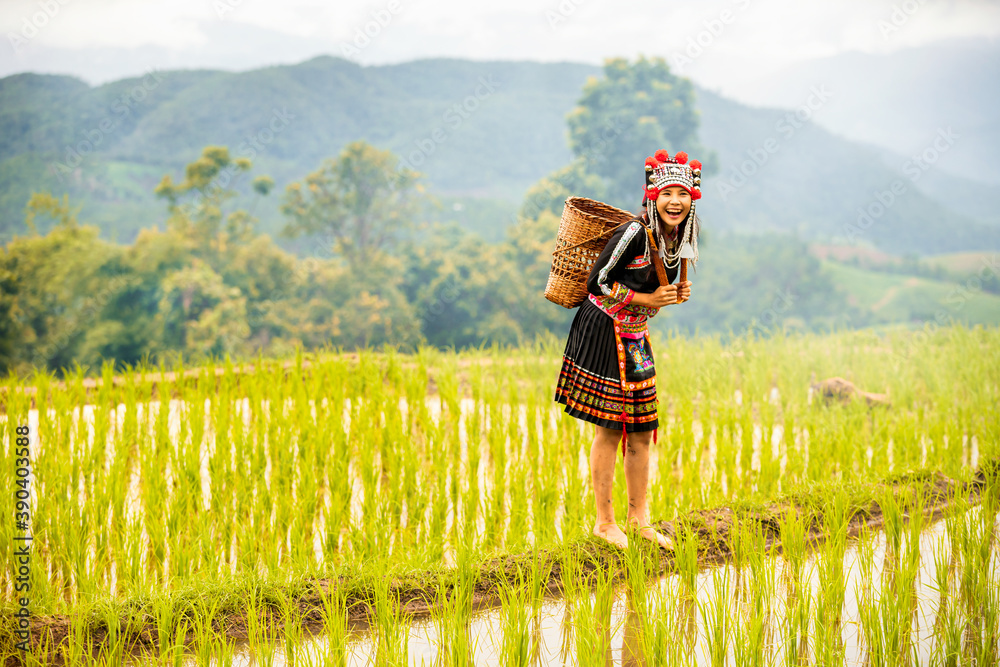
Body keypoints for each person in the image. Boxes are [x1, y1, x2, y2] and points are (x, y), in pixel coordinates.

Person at [554, 149, 702, 550]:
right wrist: (647, 299)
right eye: (668, 192)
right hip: (603, 328)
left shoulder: (679, 238)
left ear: (693, 199)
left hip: (634, 332)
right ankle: (605, 523)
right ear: (652, 195)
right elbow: (596, 282)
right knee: (611, 426)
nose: (676, 201)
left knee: (642, 428)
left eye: (683, 194)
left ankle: (639, 520)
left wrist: (672, 293)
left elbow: (657, 285)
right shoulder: (634, 233)